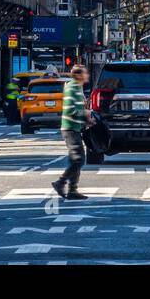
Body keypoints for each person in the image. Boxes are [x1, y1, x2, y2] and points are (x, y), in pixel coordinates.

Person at [51, 65, 90, 201]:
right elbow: (70, 110)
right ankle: (61, 182)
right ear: (79, 75)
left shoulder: (77, 87)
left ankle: (73, 189)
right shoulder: (73, 88)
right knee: (79, 159)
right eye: (85, 73)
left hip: (75, 127)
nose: (87, 76)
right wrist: (85, 113)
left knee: (75, 159)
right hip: (70, 128)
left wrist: (87, 120)